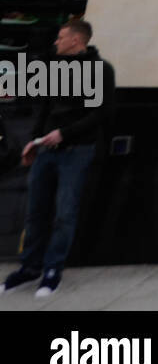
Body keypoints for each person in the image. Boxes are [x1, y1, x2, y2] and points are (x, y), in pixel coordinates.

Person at [3, 18, 115, 298]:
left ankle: (52, 270)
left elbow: (100, 113)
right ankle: (29, 268)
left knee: (65, 213)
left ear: (76, 40)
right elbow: (46, 108)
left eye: (61, 37)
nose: (56, 42)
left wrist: (64, 134)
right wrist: (34, 141)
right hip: (45, 151)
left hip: (76, 152)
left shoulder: (99, 70)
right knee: (35, 212)